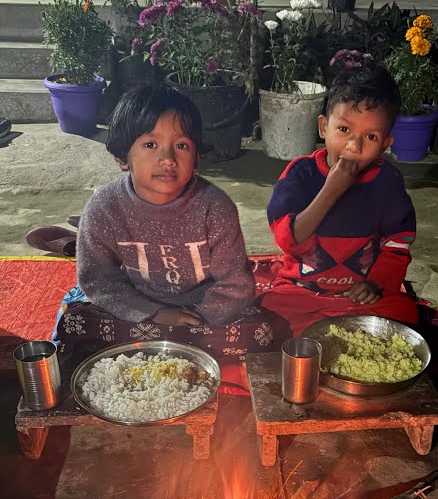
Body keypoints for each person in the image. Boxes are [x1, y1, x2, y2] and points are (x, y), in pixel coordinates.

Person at [55, 83, 286, 361]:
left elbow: (235, 284)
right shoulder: (104, 208)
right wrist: (154, 314)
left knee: (262, 333)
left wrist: (198, 318)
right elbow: (100, 281)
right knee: (75, 325)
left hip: (199, 315)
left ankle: (165, 344)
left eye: (181, 145)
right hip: (137, 311)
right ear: (122, 157)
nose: (167, 159)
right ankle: (174, 344)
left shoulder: (215, 207)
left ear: (197, 157)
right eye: (150, 144)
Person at [261, 64, 419, 335]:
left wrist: (376, 283)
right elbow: (287, 240)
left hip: (359, 298)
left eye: (371, 137)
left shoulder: (388, 183)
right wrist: (331, 191)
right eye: (344, 129)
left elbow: (397, 243)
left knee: (406, 315)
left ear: (385, 144)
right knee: (268, 316)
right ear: (324, 127)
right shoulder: (300, 174)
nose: (354, 146)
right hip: (302, 291)